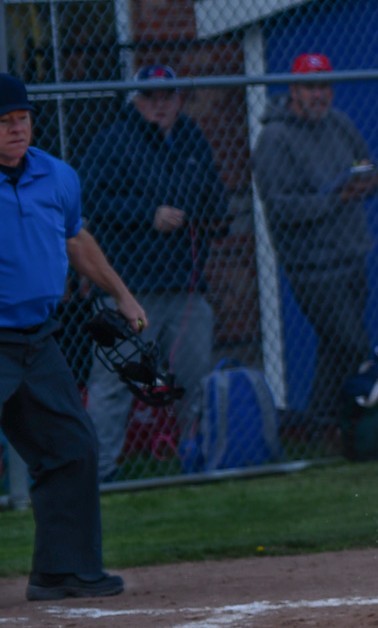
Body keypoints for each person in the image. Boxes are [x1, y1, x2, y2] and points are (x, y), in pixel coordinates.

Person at [0, 72, 146, 600]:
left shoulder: (56, 175)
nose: (17, 129)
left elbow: (75, 240)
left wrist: (120, 294)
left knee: (71, 446)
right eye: (4, 122)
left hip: (38, 340)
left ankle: (64, 570)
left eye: (22, 119)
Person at [79, 64, 226, 482]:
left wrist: (206, 215)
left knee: (195, 376)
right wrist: (148, 214)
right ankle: (99, 471)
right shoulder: (113, 141)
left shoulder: (190, 138)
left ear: (179, 99)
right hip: (129, 288)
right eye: (151, 97)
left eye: (168, 97)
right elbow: (88, 197)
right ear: (137, 100)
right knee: (113, 384)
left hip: (186, 285)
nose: (160, 105)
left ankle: (195, 457)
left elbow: (214, 194)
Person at [252, 53, 378, 433]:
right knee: (351, 343)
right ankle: (350, 424)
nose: (319, 95)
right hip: (312, 265)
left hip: (351, 252)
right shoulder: (275, 138)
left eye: (324, 86)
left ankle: (321, 426)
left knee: (334, 345)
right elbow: (280, 209)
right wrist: (336, 198)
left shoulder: (339, 124)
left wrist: (368, 182)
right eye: (310, 86)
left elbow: (365, 164)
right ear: (293, 90)